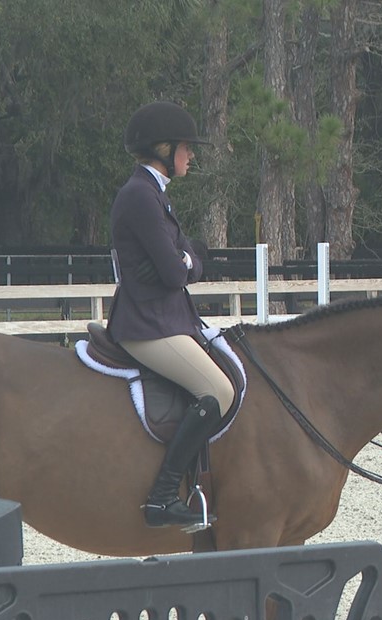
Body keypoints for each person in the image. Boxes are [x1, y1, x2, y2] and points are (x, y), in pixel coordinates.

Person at [108, 101, 235, 529]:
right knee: (217, 390)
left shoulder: (153, 193)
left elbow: (190, 257)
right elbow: (177, 270)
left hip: (165, 317)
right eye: (186, 147)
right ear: (163, 149)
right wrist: (186, 262)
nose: (191, 155)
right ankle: (162, 497)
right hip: (148, 325)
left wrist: (187, 260)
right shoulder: (141, 196)